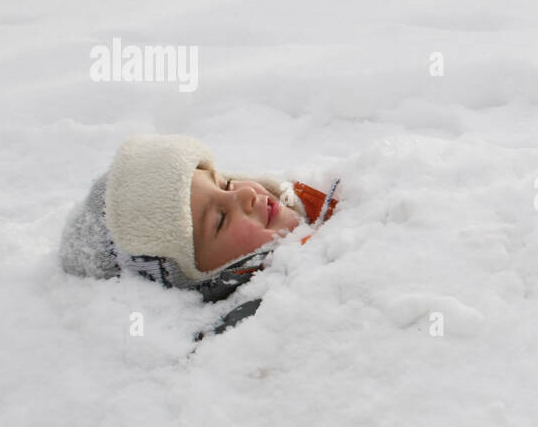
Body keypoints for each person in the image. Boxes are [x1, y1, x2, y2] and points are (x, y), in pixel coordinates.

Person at [59, 133, 338, 337]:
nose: (245, 194)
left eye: (226, 183)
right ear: (203, 279)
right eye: (220, 219)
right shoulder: (270, 327)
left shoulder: (344, 190)